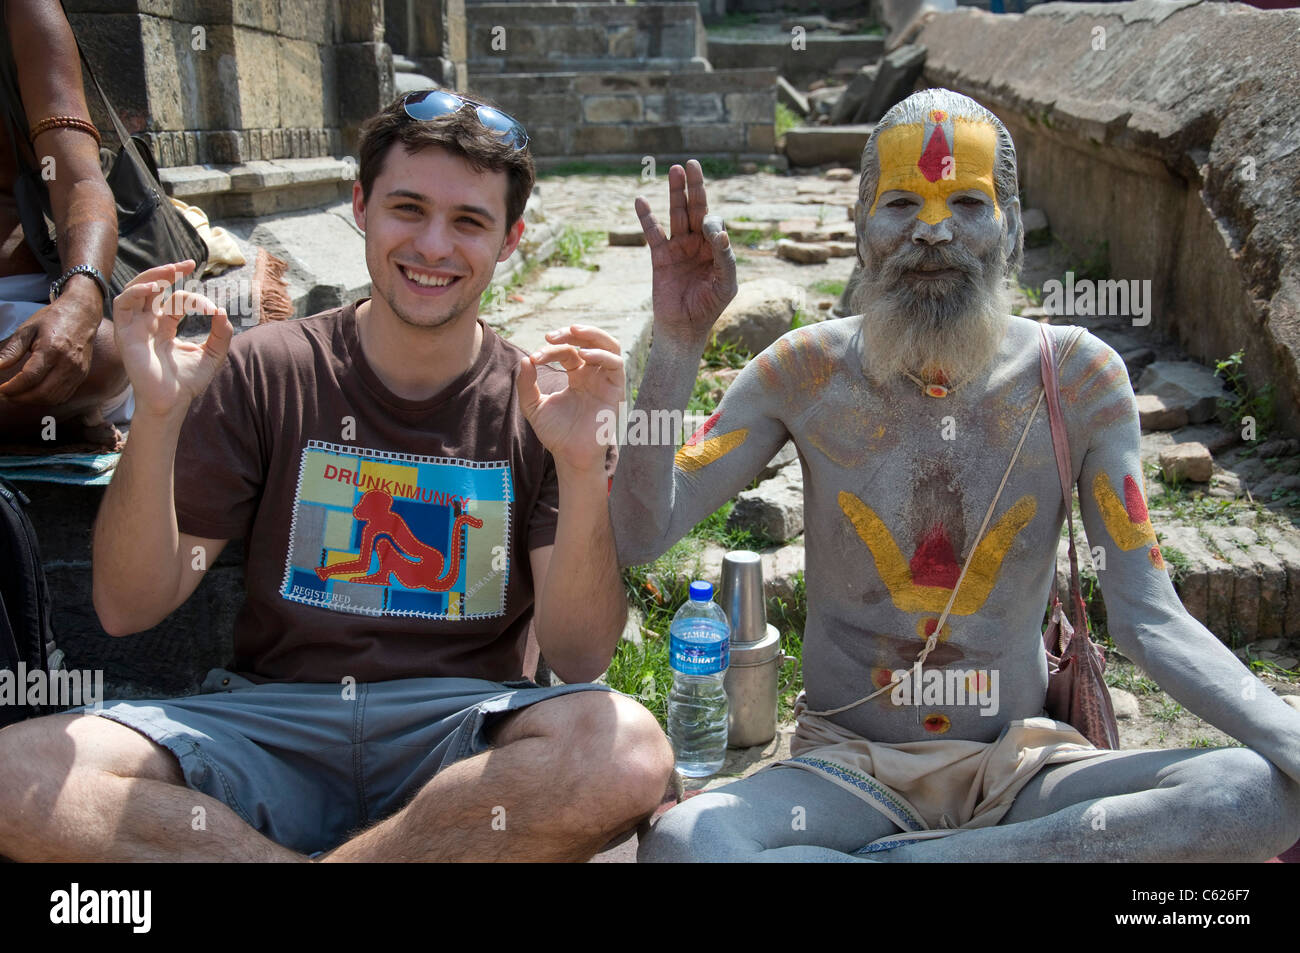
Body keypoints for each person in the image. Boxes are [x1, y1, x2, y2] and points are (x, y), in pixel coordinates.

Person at [616, 88, 1300, 862]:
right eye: (902, 201)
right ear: (861, 228)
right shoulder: (801, 370)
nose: (933, 229)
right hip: (848, 770)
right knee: (684, 844)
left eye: (968, 202)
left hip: (1027, 768)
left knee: (1252, 790)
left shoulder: (1079, 378)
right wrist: (677, 342)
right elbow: (642, 534)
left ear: (1009, 223)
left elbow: (1150, 617)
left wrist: (1291, 740)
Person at [0, 89, 673, 862]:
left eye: (469, 222)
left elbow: (582, 657)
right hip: (268, 729)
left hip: (464, 741)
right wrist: (155, 420)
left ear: (511, 239)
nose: (432, 246)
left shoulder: (538, 403)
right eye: (407, 208)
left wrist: (583, 468)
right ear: (359, 205)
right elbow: (126, 606)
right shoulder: (268, 368)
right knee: (17, 771)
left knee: (626, 751)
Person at [0, 0, 130, 445]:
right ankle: (44, 425)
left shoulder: (20, 11)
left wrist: (80, 302)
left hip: (12, 309)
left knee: (107, 355)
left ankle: (37, 418)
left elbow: (77, 180)